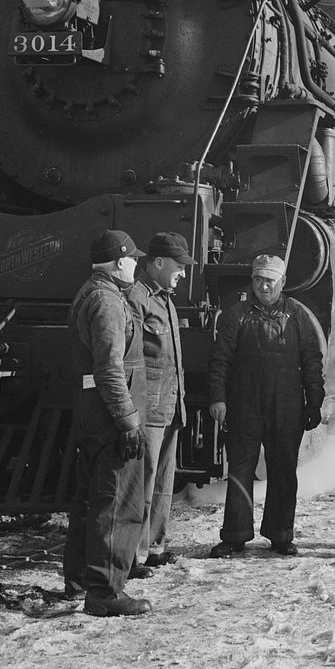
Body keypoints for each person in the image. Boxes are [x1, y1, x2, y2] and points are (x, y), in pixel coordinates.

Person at [207, 254, 326, 558]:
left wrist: (314, 402)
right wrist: (218, 397)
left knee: (284, 471)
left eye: (270, 280)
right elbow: (221, 360)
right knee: (240, 469)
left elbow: (312, 362)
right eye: (258, 279)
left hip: (286, 407)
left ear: (283, 282)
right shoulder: (237, 315)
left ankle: (281, 534)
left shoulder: (298, 316)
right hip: (244, 404)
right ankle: (235, 535)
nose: (263, 286)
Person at [63, 228, 152, 616]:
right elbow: (110, 370)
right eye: (133, 258)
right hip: (111, 416)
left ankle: (80, 579)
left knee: (92, 499)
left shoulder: (92, 291)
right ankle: (105, 592)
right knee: (117, 502)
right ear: (119, 262)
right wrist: (129, 421)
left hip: (93, 412)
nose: (136, 264)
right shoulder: (107, 301)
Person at [126, 231, 194, 570]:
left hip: (169, 404)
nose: (183, 273)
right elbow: (131, 361)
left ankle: (155, 547)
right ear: (158, 263)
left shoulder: (164, 298)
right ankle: (133, 555)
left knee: (164, 479)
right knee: (144, 480)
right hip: (149, 406)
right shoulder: (137, 298)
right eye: (178, 266)